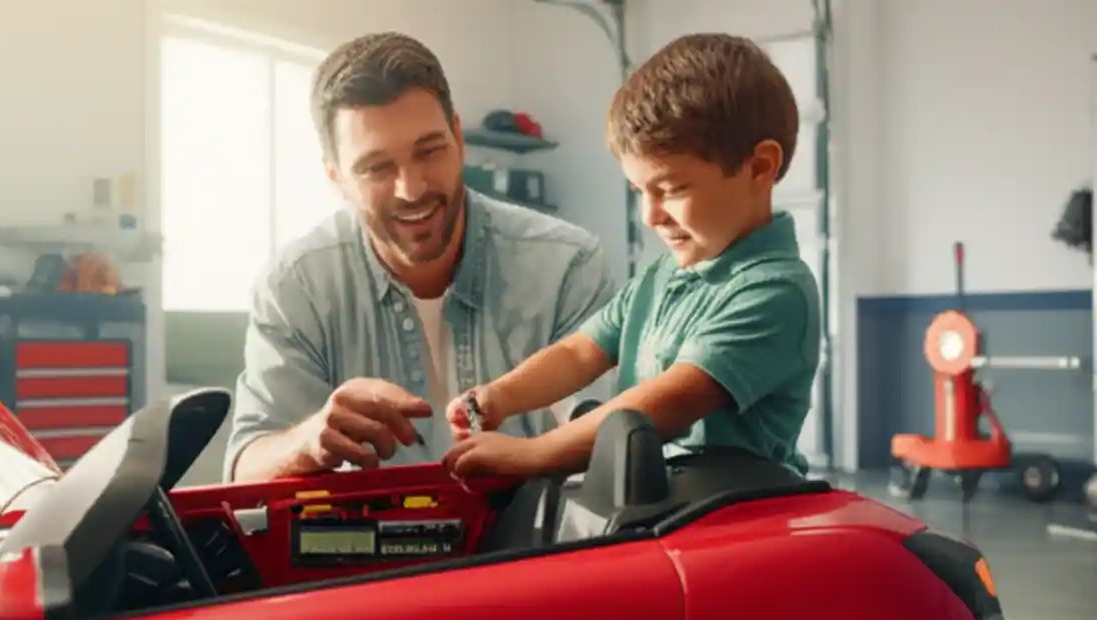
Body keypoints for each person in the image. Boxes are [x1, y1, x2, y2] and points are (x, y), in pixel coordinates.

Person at [224, 32, 618, 483]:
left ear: (458, 139)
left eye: (429, 151)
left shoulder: (568, 265)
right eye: (377, 167)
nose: (411, 189)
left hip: (540, 545)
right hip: (361, 551)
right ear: (335, 177)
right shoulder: (295, 285)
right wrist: (310, 439)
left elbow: (616, 437)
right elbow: (245, 471)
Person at [443, 33, 821, 479]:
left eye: (673, 189)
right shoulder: (661, 277)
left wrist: (536, 453)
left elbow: (665, 404)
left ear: (759, 168)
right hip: (657, 493)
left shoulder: (775, 291)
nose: (650, 215)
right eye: (641, 191)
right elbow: (579, 353)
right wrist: (500, 396)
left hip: (731, 506)